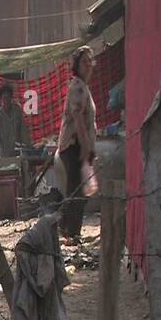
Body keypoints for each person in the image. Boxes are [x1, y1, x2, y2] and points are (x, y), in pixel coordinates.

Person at [57, 46, 97, 243]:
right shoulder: (78, 86)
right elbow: (78, 119)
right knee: (77, 190)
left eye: (90, 61)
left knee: (76, 189)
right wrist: (85, 146)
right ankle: (70, 231)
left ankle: (66, 229)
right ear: (77, 65)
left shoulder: (84, 87)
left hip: (77, 144)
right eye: (84, 61)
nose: (88, 64)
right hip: (74, 144)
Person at [0, 84, 31, 158]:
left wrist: (28, 147)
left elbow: (23, 130)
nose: (6, 101)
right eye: (4, 98)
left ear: (11, 98)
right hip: (4, 153)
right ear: (1, 100)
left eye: (8, 98)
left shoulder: (17, 111)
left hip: (17, 152)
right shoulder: (0, 114)